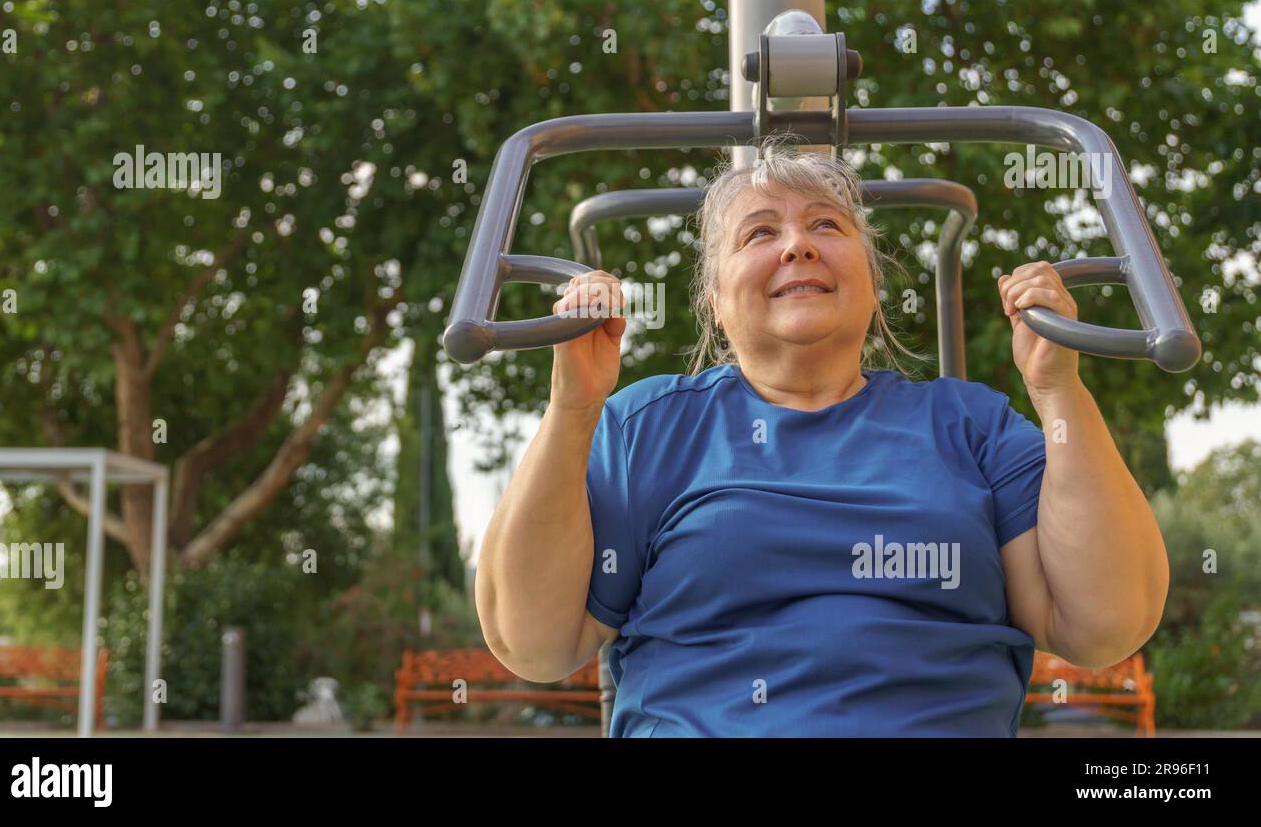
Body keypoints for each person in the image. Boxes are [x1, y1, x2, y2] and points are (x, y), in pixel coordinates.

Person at [474, 140, 1170, 737]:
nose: (797, 244)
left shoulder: (971, 426)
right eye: (758, 234)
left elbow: (1107, 621)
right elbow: (532, 641)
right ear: (714, 300)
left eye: (826, 225)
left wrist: (1057, 390)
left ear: (871, 285)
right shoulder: (646, 426)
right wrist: (573, 407)